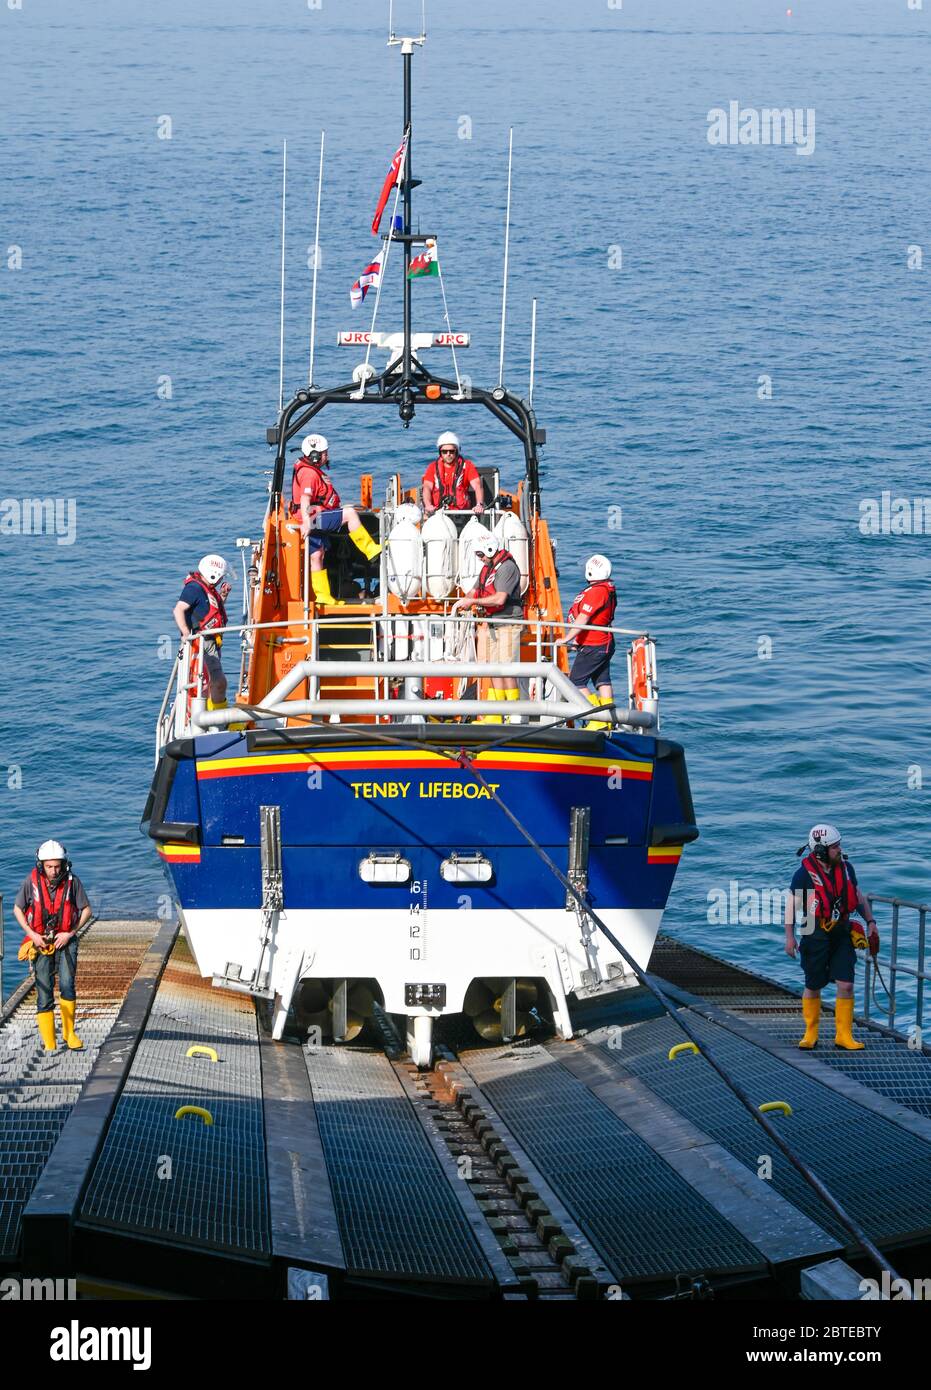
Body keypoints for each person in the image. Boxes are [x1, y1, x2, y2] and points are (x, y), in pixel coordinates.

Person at [784, 824, 879, 1051]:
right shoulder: (803, 875)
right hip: (813, 931)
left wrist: (871, 922)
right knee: (813, 983)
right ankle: (810, 1033)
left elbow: (857, 895)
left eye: (839, 845)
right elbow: (791, 907)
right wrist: (789, 937)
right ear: (820, 850)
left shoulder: (847, 868)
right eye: (835, 846)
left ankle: (844, 1036)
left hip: (842, 932)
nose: (840, 849)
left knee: (846, 984)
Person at [13, 841, 92, 1052]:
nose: (54, 871)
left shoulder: (73, 882)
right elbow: (17, 909)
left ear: (64, 864)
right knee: (44, 991)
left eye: (57, 866)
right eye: (49, 866)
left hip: (66, 940)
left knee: (67, 984)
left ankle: (69, 1033)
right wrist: (32, 936)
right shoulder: (30, 882)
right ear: (41, 866)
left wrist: (70, 933)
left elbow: (86, 910)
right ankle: (49, 1041)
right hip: (40, 943)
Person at [290, 434, 381, 605]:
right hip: (314, 518)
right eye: (324, 453)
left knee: (317, 555)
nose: (327, 456)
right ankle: (371, 550)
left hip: (314, 517)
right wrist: (307, 523)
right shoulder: (309, 474)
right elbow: (305, 499)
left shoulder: (308, 469)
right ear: (315, 455)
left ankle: (323, 595)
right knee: (350, 514)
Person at [452, 534, 523, 721]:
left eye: (480, 554)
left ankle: (514, 712)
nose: (480, 558)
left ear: (490, 549)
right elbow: (475, 590)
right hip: (492, 623)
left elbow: (500, 598)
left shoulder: (507, 568)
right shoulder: (487, 569)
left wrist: (473, 601)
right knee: (494, 668)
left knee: (507, 668)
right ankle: (495, 712)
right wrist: (464, 601)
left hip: (508, 623)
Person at [555, 555, 617, 719]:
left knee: (575, 682)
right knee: (602, 681)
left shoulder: (597, 591)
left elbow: (584, 618)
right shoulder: (605, 589)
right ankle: (608, 718)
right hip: (601, 643)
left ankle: (598, 717)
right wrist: (577, 640)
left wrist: (567, 638)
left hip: (595, 644)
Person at [173, 554, 232, 710]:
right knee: (202, 685)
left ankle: (218, 717)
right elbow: (178, 610)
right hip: (199, 644)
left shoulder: (207, 588)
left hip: (210, 642)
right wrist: (186, 634)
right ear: (214, 575)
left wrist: (223, 596)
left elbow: (209, 611)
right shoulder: (194, 588)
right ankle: (201, 719)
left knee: (217, 682)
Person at [421, 432, 484, 518]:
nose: (448, 454)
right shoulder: (432, 467)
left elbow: (477, 486)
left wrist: (479, 504)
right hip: (438, 513)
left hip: (461, 514)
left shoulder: (467, 466)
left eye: (451, 451)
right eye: (444, 451)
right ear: (440, 452)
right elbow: (427, 487)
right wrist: (428, 505)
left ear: (457, 451)